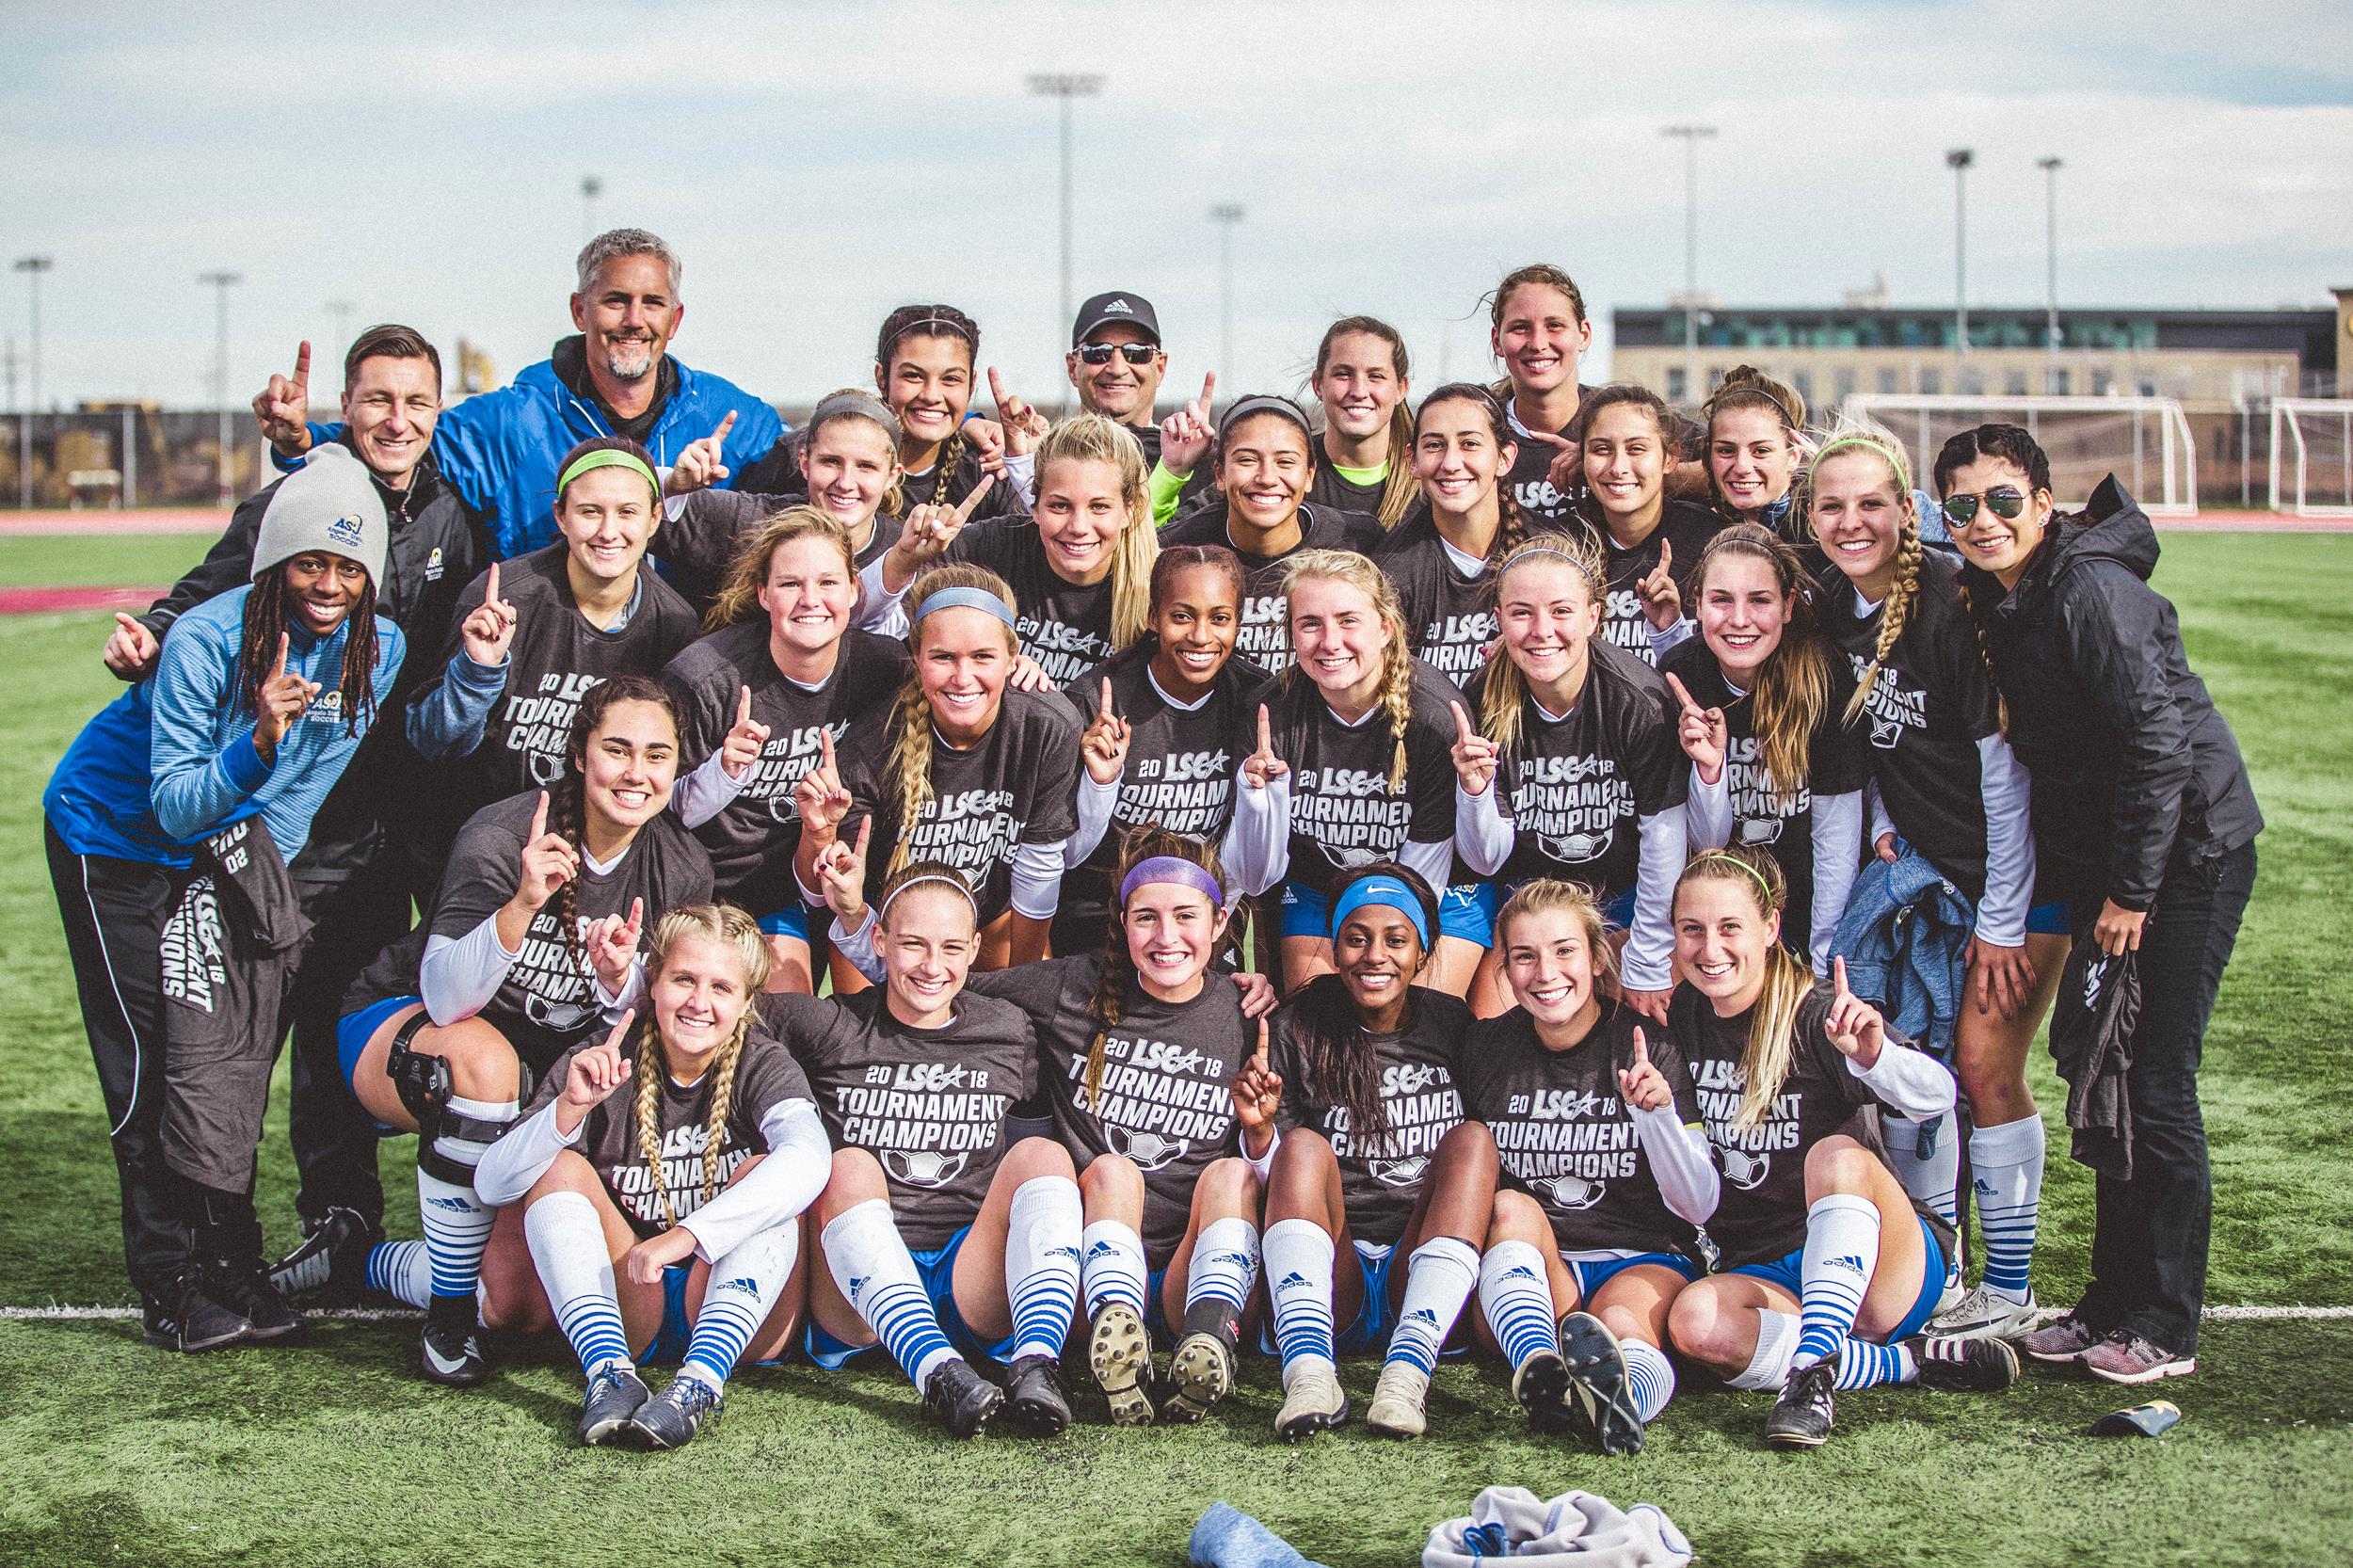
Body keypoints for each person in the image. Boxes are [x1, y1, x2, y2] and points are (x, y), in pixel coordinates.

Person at [104, 325, 487, 1267]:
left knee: (349, 1014)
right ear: (344, 408)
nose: (396, 420)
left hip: (405, 808)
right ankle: (234, 1222)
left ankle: (352, 1216)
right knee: (255, 1023)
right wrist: (153, 632)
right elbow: (211, 586)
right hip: (296, 813)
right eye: (376, 400)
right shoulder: (301, 497)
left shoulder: (451, 513)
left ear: (437, 414)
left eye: (415, 402)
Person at [1939, 424, 2262, 1382]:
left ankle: (2164, 1321)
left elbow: (2157, 746)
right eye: (1962, 506)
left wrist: (2128, 892)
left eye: (2003, 500)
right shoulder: (2007, 594)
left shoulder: (2089, 589)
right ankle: (2110, 1302)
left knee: (2154, 1084)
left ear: (2045, 500)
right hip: (2111, 869)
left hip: (2183, 858)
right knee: (2105, 1081)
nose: (1983, 521)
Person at [319, 676, 713, 1385]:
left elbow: (638, 1013)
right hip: (405, 1025)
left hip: (538, 1075)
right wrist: (524, 903)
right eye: (617, 750)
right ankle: (446, 1319)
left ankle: (361, 1256)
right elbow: (444, 995)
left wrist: (618, 978)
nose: (636, 773)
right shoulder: (505, 834)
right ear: (580, 755)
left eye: (657, 755)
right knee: (482, 1062)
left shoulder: (680, 863)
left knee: (516, 1306)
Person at [819, 827, 1273, 1427]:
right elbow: (938, 980)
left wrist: (1258, 1132)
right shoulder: (1071, 987)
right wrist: (855, 916)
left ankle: (1208, 1340)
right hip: (1090, 1271)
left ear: (1220, 925)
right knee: (1111, 1168)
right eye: (1146, 917)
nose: (1166, 937)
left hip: (1194, 1267)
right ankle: (1116, 1335)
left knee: (1233, 1174)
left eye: (1186, 916)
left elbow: (1273, 1160)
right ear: (1120, 919)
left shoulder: (1246, 1014)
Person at [1806, 423, 2055, 1319]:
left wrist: (2002, 914)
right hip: (1927, 869)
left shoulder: (1949, 602)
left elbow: (2004, 772)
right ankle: (1949, 1275)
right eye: (1831, 505)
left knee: (1986, 1071)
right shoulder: (1838, 608)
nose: (1851, 520)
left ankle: (2013, 1286)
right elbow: (1880, 751)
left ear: (1908, 510)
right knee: (1915, 1065)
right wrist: (1885, 829)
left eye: (1872, 502)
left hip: (2008, 877)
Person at [1656, 847, 2016, 1448]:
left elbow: (1936, 1095)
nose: (1710, 949)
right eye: (1692, 929)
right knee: (1695, 1325)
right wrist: (1658, 1116)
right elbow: (1696, 1192)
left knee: (1837, 1155)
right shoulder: (1686, 1014)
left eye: (1729, 928)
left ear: (1770, 929)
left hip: (1881, 1269)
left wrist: (1876, 1057)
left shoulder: (1817, 1011)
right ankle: (1912, 1364)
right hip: (1770, 1263)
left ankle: (1813, 1370)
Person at [472, 904, 831, 1448]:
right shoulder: (604, 1052)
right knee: (556, 1169)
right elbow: (492, 1185)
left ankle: (697, 1385)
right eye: (684, 979)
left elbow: (810, 1158)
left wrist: (688, 1236)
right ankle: (610, 1376)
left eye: (721, 988)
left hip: (742, 1309)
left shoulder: (762, 1060)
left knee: (769, 1173)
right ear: (652, 984)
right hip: (633, 1299)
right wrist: (567, 1111)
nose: (699, 1003)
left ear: (746, 1002)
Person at [762, 866, 1082, 1438]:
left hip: (969, 1275)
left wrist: (1227, 988)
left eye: (951, 948)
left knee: (1044, 1156)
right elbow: (716, 1005)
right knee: (846, 1165)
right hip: (856, 1292)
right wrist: (623, 982)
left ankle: (1036, 1364)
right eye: (912, 944)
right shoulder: (831, 1023)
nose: (933, 967)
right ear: (879, 940)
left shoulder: (1009, 1029)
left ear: (975, 949)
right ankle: (937, 1371)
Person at [251, 230, 780, 558]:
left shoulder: (726, 416)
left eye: (652, 303)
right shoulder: (510, 421)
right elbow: (395, 440)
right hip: (541, 670)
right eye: (616, 301)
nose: (634, 320)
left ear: (676, 318)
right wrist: (301, 440)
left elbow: (822, 465)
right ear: (580, 311)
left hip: (672, 674)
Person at [1452, 880, 1717, 1453]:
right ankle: (1541, 1371)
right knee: (1507, 1204)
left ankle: (1624, 1400)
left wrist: (1659, 1117)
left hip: (1640, 1255)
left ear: (1598, 958)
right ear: (1506, 965)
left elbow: (1698, 1203)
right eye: (1525, 955)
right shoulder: (1484, 1046)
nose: (1546, 972)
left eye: (1565, 950)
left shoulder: (1647, 1045)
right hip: (1533, 1266)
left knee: (1623, 1322)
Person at [1252, 865, 1487, 1438]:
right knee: (1303, 1146)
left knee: (1474, 1140)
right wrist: (1260, 1133)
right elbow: (1280, 1175)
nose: (1374, 955)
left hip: (1425, 1265)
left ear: (1424, 951)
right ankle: (1308, 1370)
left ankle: (1408, 1373)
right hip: (1335, 1264)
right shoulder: (1295, 1026)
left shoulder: (1452, 1022)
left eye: (1395, 940)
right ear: (1333, 949)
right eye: (1356, 939)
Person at [401, 436, 699, 884]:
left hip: (590, 863)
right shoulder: (503, 597)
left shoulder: (674, 625)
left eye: (627, 512)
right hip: (477, 849)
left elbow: (664, 771)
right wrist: (476, 674)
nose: (607, 531)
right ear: (561, 515)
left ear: (655, 517)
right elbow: (431, 742)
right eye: (590, 511)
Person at [661, 506, 909, 991]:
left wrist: (1019, 671)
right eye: (791, 584)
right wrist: (723, 771)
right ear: (763, 594)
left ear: (855, 590)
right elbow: (659, 814)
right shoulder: (705, 681)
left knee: (860, 1008)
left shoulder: (884, 669)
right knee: (781, 1007)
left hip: (833, 874)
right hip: (722, 885)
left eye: (828, 583)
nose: (810, 600)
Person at [792, 565, 1081, 973]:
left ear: (1013, 658)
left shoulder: (1045, 724)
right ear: (915, 657)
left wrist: (1022, 980)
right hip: (879, 926)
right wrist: (818, 836)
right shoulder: (871, 744)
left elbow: (1040, 866)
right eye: (944, 657)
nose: (963, 678)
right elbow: (827, 893)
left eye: (983, 657)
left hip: (984, 921)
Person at [1452, 534, 1688, 1022]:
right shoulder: (1482, 698)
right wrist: (1475, 794)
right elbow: (1485, 858)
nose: (1542, 630)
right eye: (1521, 613)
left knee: (1648, 1017)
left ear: (1593, 616)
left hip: (1619, 894)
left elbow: (1664, 840)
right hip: (1525, 896)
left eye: (1561, 611)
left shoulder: (1637, 701)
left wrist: (1645, 958)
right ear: (1498, 620)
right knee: (1491, 1025)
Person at [1221, 551, 1465, 991]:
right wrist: (1260, 802)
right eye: (1310, 623)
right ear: (1291, 633)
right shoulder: (1270, 714)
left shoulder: (1432, 716)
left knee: (1400, 1008)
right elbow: (1257, 877)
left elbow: (1424, 877)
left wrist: (1380, 949)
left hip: (1424, 891)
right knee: (1315, 1015)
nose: (1329, 641)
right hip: (1316, 889)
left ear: (1385, 627)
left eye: (1348, 621)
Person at [1659, 524, 1865, 970]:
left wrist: (1824, 953)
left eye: (1760, 600)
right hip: (1720, 910)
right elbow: (1704, 844)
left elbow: (1837, 831)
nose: (1739, 620)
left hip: (1808, 901)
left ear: (1788, 605)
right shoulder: (1681, 674)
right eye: (1721, 600)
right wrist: (1710, 773)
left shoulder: (1822, 677)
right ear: (1696, 604)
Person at [1057, 544, 1260, 962]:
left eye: (1219, 619)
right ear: (1154, 617)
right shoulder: (1096, 700)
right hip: (1102, 911)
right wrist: (1101, 782)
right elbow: (1069, 854)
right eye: (1182, 616)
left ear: (1239, 624)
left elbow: (1256, 869)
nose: (1201, 636)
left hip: (1202, 912)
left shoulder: (1255, 701)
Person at [868, 413, 1159, 691]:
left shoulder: (1154, 589)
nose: (1079, 526)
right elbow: (873, 630)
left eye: (1099, 507)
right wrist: (904, 560)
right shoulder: (993, 547)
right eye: (1060, 505)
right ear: (1034, 507)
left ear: (1128, 512)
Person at [1156, 396, 1382, 668]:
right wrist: (1172, 470)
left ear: (1310, 474)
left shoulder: (1358, 542)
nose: (1267, 478)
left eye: (1285, 462)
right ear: (1220, 474)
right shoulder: (1181, 549)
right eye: (1247, 460)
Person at [661, 391, 908, 612]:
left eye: (866, 467)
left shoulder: (909, 551)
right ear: (804, 463)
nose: (845, 482)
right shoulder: (753, 522)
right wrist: (673, 486)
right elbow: (638, 513)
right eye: (830, 462)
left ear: (892, 476)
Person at [1374, 382, 1526, 690]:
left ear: (1504, 457)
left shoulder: (1546, 551)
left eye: (1470, 444)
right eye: (1433, 446)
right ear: (1412, 461)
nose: (1451, 463)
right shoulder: (1390, 571)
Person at [1577, 385, 1723, 665]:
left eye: (1636, 449)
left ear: (1670, 457)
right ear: (1582, 458)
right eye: (1601, 449)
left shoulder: (1712, 540)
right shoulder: (1564, 544)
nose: (1618, 467)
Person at [1485, 264, 1603, 531]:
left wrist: (1605, 461)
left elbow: (1712, 467)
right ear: (1497, 340)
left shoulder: (1622, 418)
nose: (1538, 343)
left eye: (1554, 326)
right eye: (1520, 328)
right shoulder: (1477, 427)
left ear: (1583, 335)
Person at [1701, 366, 1811, 541]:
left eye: (1761, 451)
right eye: (1726, 451)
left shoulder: (1823, 531)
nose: (1742, 467)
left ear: (1794, 456)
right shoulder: (1692, 533)